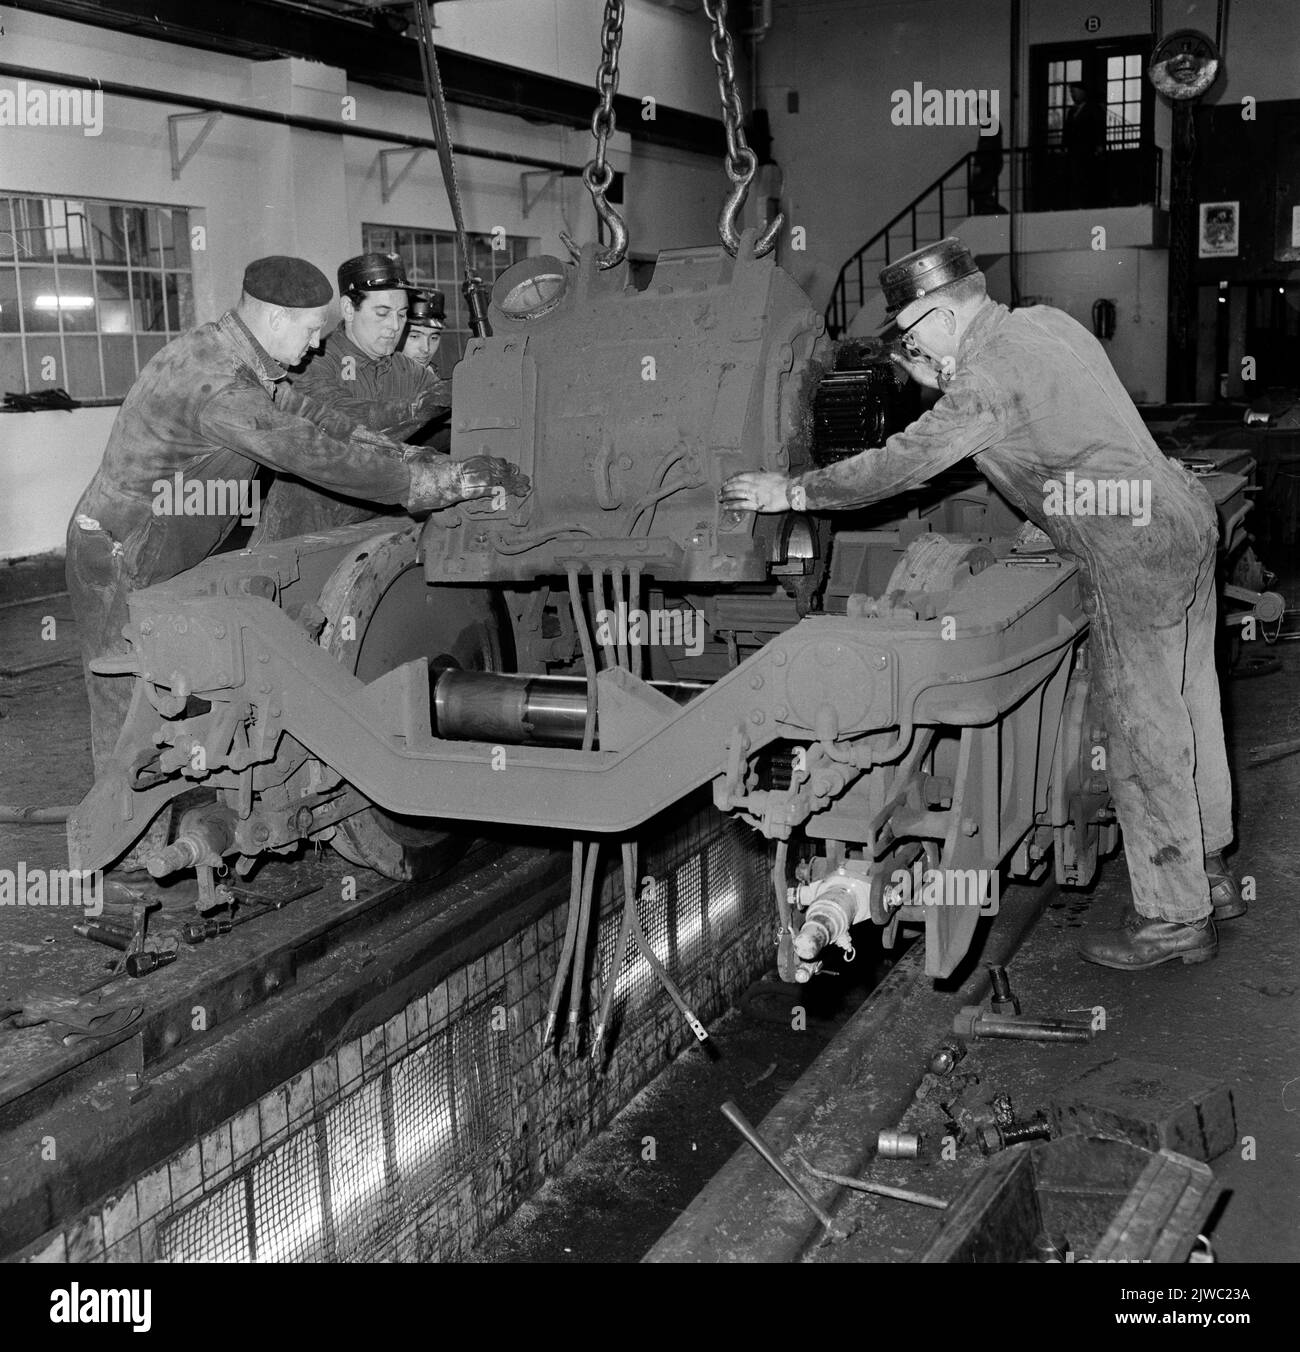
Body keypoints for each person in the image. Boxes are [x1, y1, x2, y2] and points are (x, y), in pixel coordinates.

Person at [722, 237, 1241, 971]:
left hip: (1132, 549)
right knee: (1192, 702)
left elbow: (907, 460)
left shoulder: (986, 376)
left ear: (937, 317)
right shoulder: (1046, 325)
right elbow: (1072, 432)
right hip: (1180, 517)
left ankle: (1174, 917)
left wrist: (796, 491)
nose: (912, 358)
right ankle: (1212, 873)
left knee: (1143, 729)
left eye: (909, 339)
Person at [66, 254, 527, 871]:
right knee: (128, 690)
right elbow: (307, 452)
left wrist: (402, 454)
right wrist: (426, 485)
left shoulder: (243, 357)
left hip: (173, 537)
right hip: (123, 545)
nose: (316, 347)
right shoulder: (218, 385)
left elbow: (314, 417)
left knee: (178, 683)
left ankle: (176, 800)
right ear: (276, 315)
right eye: (311, 331)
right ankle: (121, 849)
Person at [254, 253, 451, 540]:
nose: (395, 327)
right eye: (382, 313)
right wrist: (420, 407)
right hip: (306, 530)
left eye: (401, 314)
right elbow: (338, 418)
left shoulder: (411, 372)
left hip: (381, 523)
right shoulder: (312, 361)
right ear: (348, 308)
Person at [1062, 81, 1106, 209]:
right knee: (1074, 180)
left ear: (1083, 92)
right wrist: (1065, 146)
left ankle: (1087, 203)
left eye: (1074, 91)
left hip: (1087, 152)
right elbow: (1067, 131)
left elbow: (1098, 128)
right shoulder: (1071, 111)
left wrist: (1099, 146)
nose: (1072, 94)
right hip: (1074, 153)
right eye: (1071, 92)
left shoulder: (1093, 109)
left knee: (1086, 179)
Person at [401, 288, 447, 371]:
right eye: (414, 337)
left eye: (434, 338)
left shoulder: (431, 377)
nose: (426, 349)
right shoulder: (377, 379)